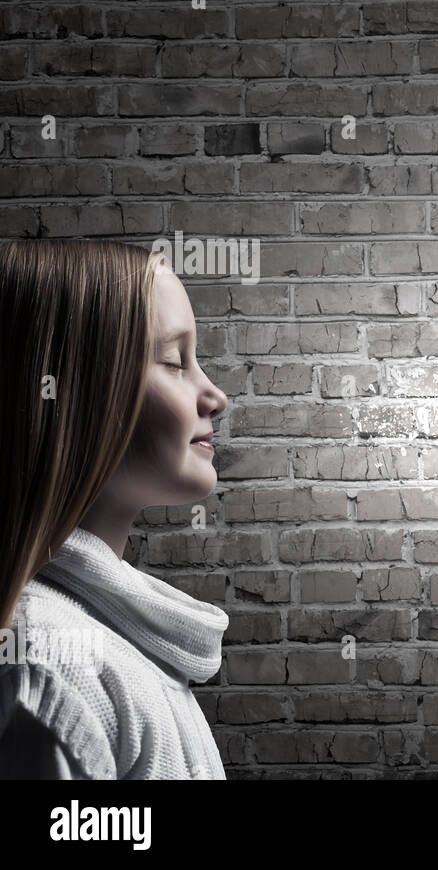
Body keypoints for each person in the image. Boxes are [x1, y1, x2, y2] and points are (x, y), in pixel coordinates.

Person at [0, 239, 230, 779]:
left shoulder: (121, 649)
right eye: (175, 361)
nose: (213, 394)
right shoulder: (50, 665)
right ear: (77, 392)